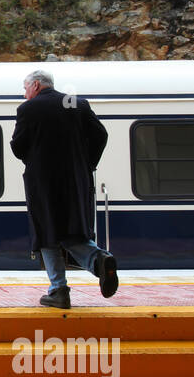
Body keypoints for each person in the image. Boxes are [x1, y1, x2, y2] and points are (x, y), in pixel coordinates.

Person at [10, 69, 117, 308]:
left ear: (36, 85)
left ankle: (58, 290)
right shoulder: (78, 104)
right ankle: (99, 259)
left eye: (25, 88)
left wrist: (36, 158)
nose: (24, 93)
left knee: (46, 232)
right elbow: (101, 135)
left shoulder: (28, 109)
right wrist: (86, 163)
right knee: (72, 228)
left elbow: (18, 148)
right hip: (77, 180)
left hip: (43, 182)